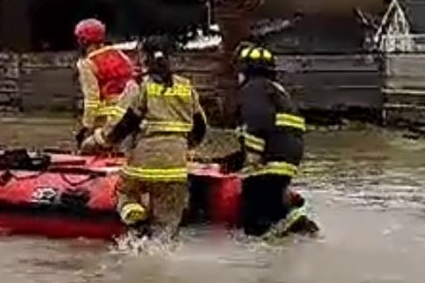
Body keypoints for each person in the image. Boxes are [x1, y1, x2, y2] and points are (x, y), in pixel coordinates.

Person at [82, 38, 207, 240]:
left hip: (141, 166)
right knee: (167, 224)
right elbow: (200, 128)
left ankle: (136, 221)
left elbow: (121, 124)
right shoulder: (186, 88)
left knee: (124, 192)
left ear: (143, 58)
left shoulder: (139, 86)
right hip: (175, 167)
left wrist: (96, 142)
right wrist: (183, 146)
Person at [230, 45, 307, 237]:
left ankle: (260, 263)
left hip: (268, 162)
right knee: (272, 208)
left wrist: (254, 155)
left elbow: (257, 121)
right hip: (286, 161)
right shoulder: (275, 90)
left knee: (253, 220)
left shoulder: (254, 88)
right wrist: (232, 161)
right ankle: (294, 224)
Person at [73, 18, 139, 148]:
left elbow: (92, 98)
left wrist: (87, 126)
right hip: (128, 117)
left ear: (83, 40)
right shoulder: (120, 55)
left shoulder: (87, 63)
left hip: (105, 120)